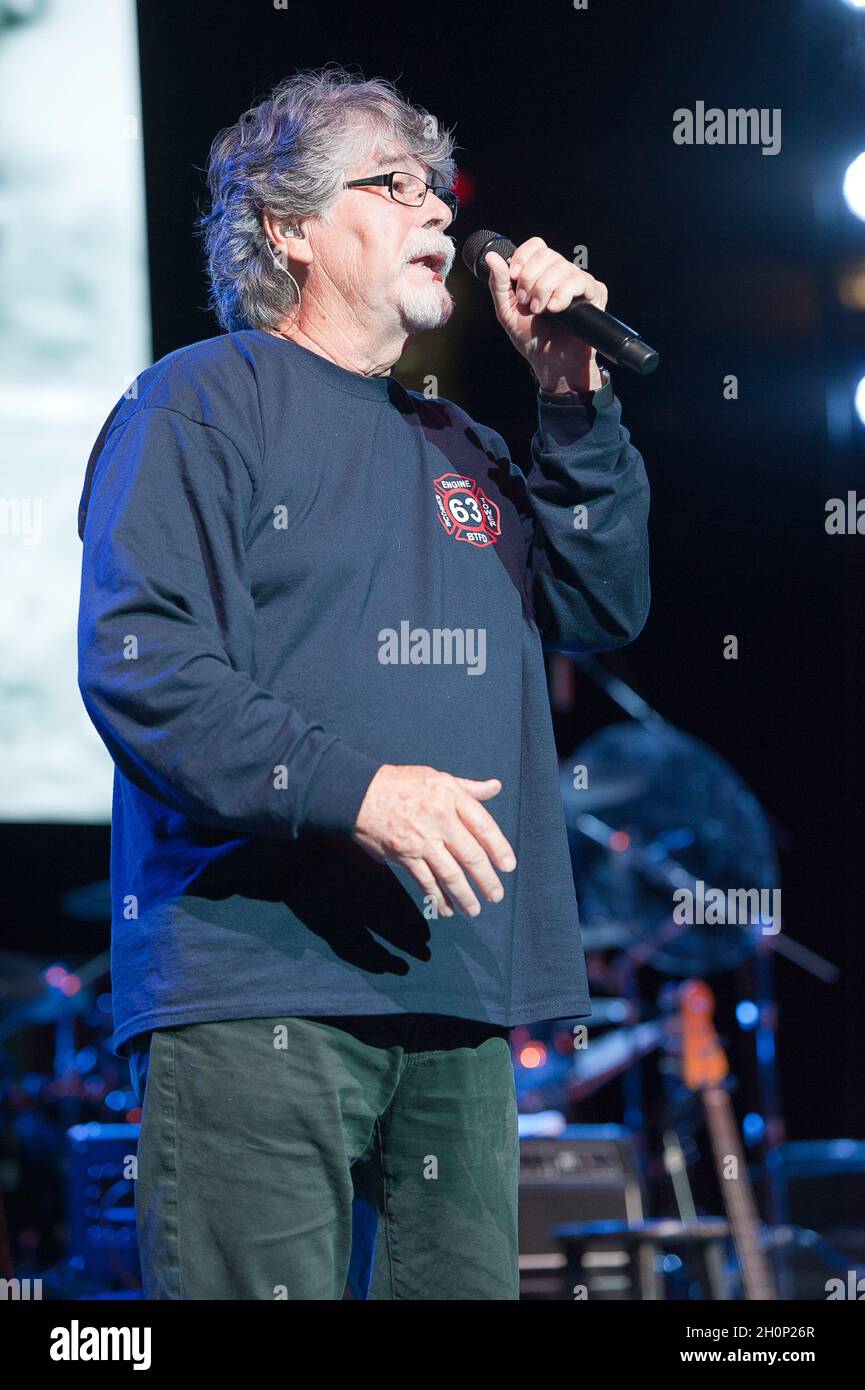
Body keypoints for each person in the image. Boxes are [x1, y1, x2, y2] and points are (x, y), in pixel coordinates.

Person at [76, 65, 651, 1300]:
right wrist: (360, 791)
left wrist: (570, 399)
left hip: (457, 989)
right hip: (257, 986)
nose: (439, 207)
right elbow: (144, 665)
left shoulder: (461, 443)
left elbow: (601, 609)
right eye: (395, 183)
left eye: (440, 186)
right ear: (286, 226)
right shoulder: (197, 401)